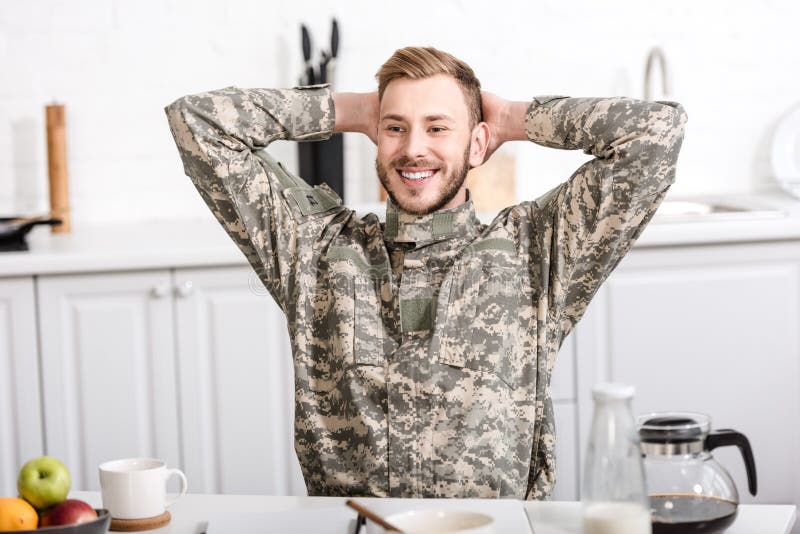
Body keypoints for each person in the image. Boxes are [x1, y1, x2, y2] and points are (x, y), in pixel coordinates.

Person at [164, 46, 687, 500]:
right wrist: (354, 110)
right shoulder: (315, 249)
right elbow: (199, 122)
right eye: (396, 129)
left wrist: (510, 118)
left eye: (438, 127)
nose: (414, 148)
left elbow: (656, 135)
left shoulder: (536, 251)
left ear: (477, 144)